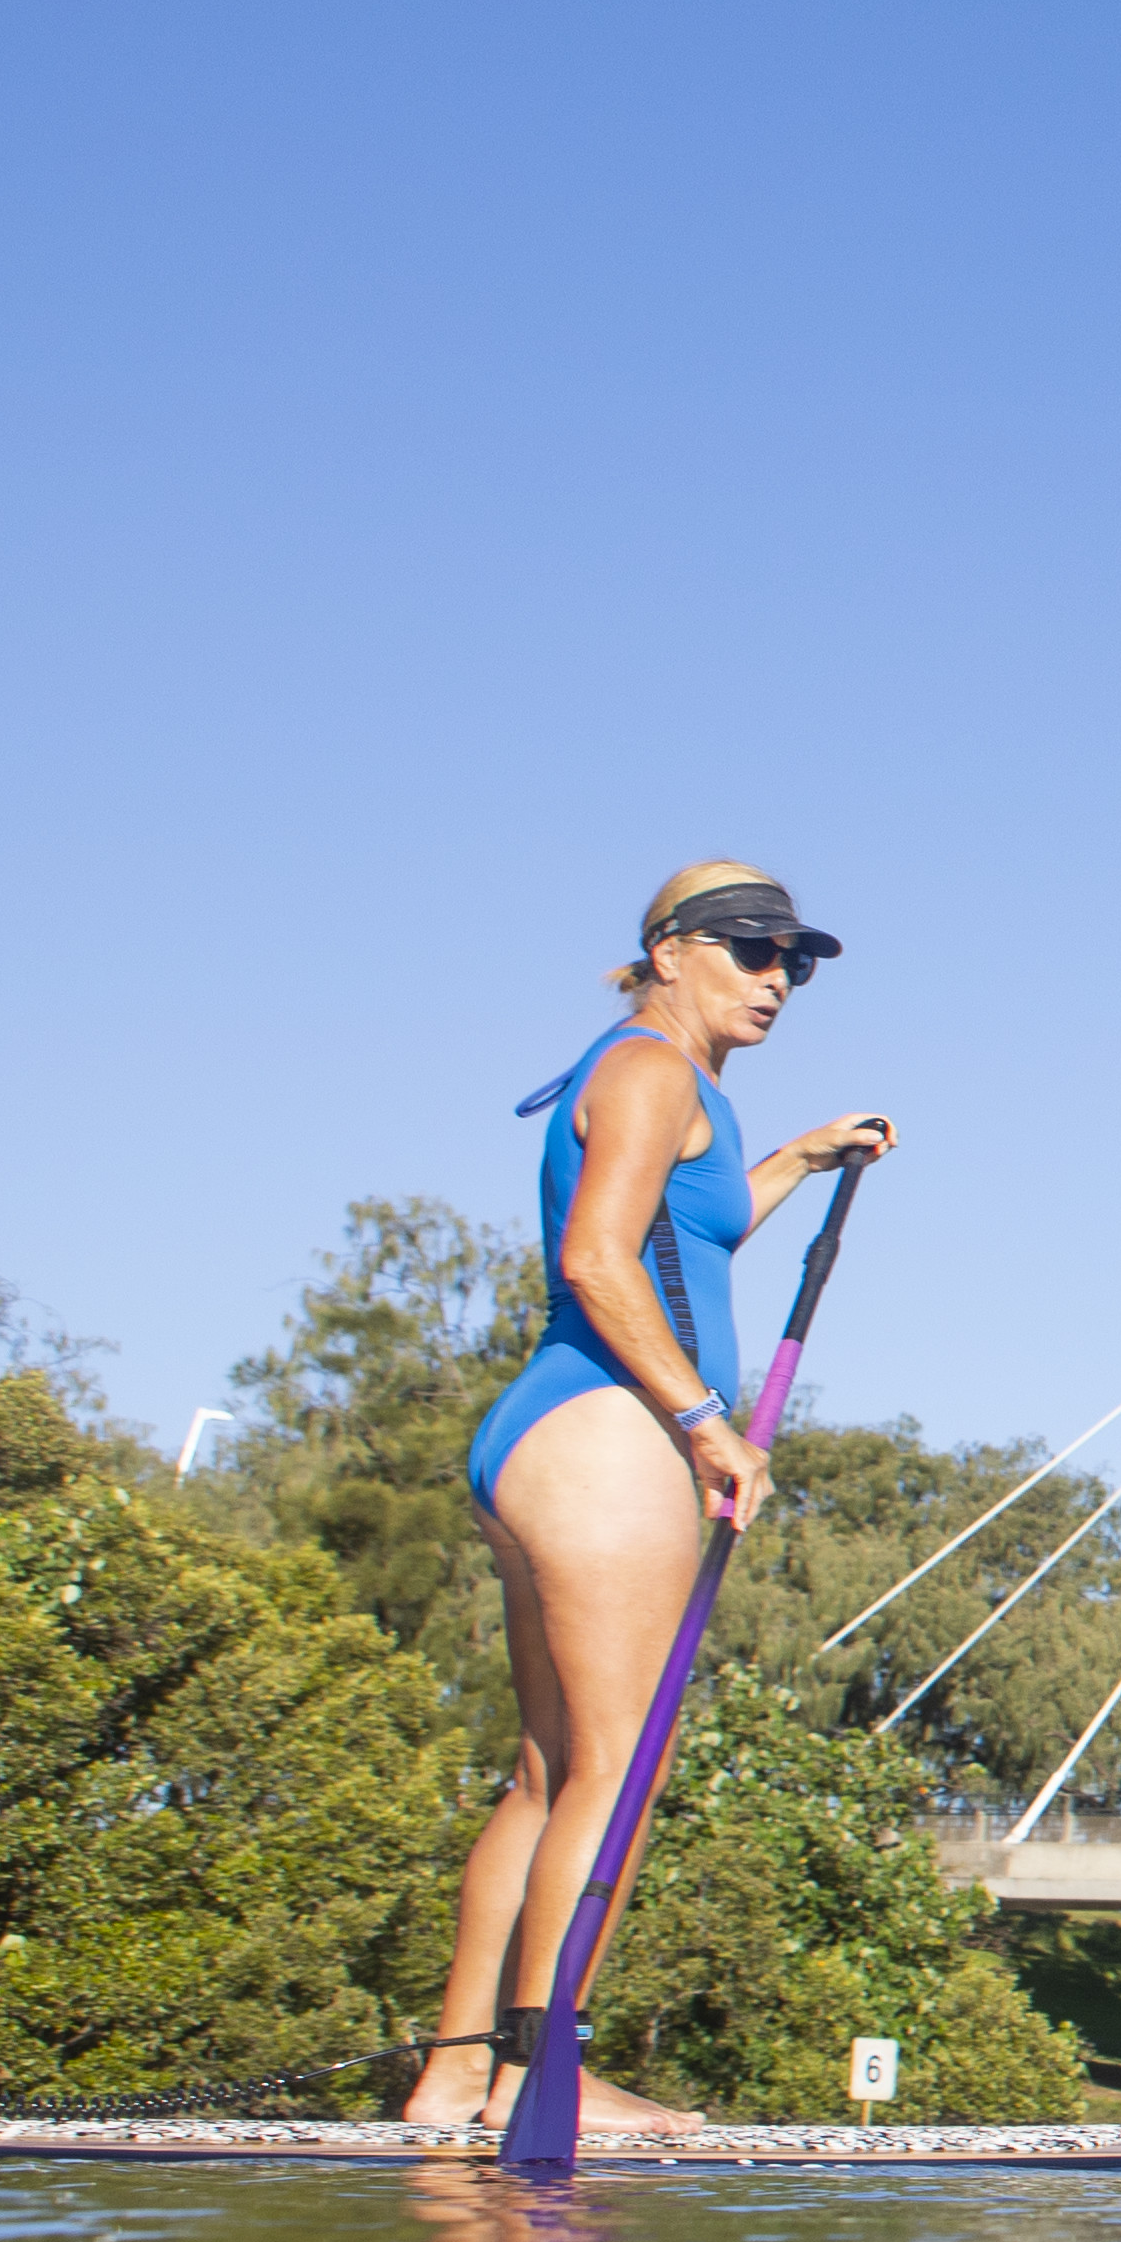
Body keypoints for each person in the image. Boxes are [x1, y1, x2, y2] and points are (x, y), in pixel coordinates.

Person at [407, 863, 895, 2135]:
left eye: (797, 958)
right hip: (607, 1432)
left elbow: (695, 1228)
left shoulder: (671, 1084)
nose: (778, 978)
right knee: (617, 1775)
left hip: (553, 1437)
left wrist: (802, 1153)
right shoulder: (650, 1070)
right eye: (751, 949)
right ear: (670, 950)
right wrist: (702, 1423)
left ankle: (458, 2070)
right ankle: (538, 2069)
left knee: (548, 1772)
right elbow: (595, 1257)